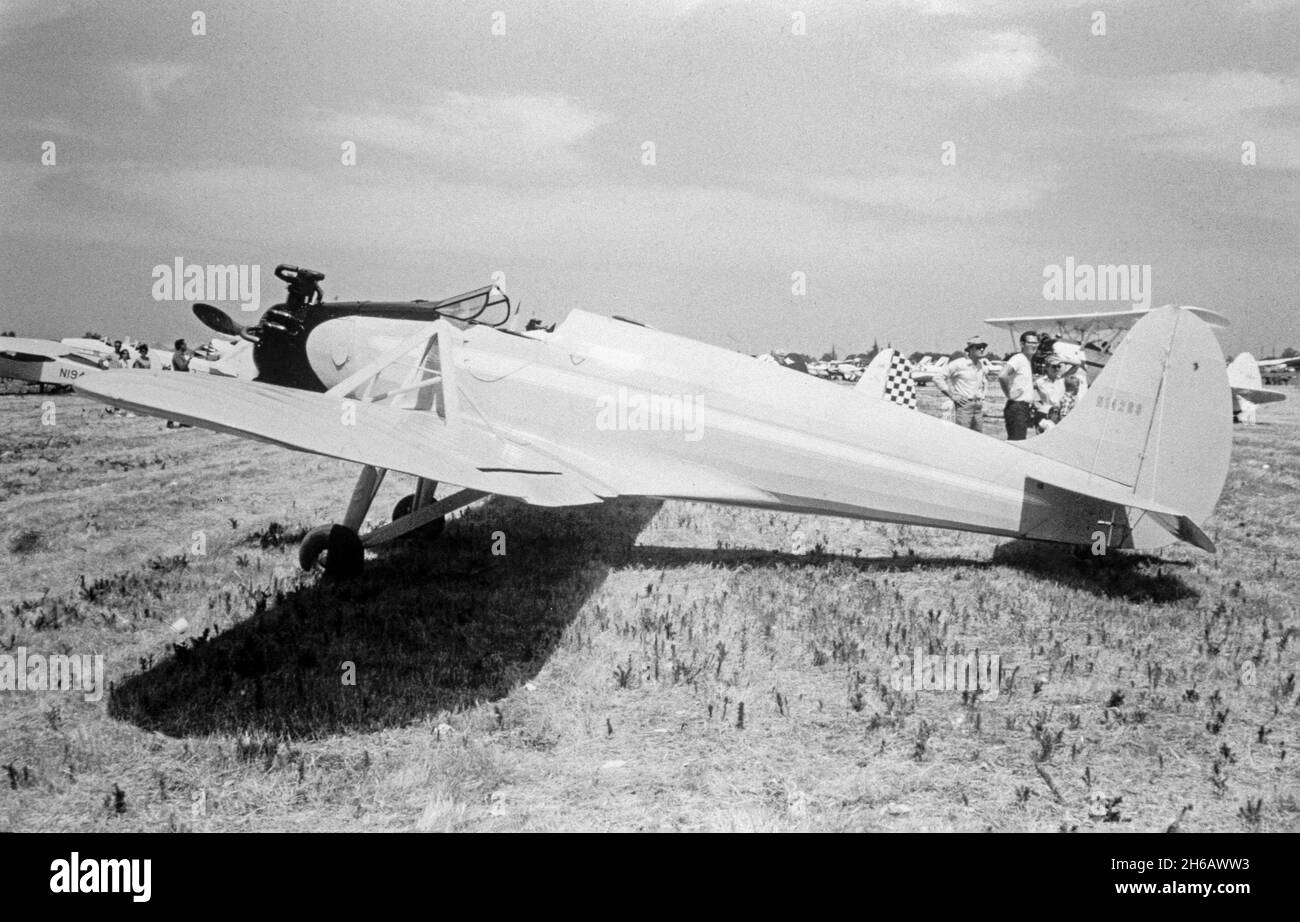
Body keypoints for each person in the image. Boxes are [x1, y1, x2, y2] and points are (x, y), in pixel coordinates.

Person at [935, 335, 989, 432]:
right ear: (970, 349)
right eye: (978, 347)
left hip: (978, 406)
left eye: (983, 347)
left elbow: (984, 382)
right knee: (963, 436)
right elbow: (938, 378)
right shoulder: (959, 364)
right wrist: (952, 396)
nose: (981, 349)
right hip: (964, 406)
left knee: (978, 438)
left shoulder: (981, 365)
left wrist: (982, 398)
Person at [998, 330, 1038, 440]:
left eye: (1036, 343)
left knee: (1019, 440)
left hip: (1023, 408)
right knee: (1017, 442)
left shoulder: (1027, 361)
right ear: (1022, 344)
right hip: (1017, 408)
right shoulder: (1019, 358)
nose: (1034, 345)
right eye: (1031, 343)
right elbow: (1002, 375)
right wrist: (1008, 393)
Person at [1033, 355, 1068, 432]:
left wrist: (1062, 359)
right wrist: (1034, 401)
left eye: (1058, 366)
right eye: (1054, 366)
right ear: (1047, 367)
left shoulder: (1062, 380)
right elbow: (1027, 390)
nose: (1057, 369)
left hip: (1059, 415)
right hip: (1044, 414)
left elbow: (1077, 365)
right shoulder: (1040, 382)